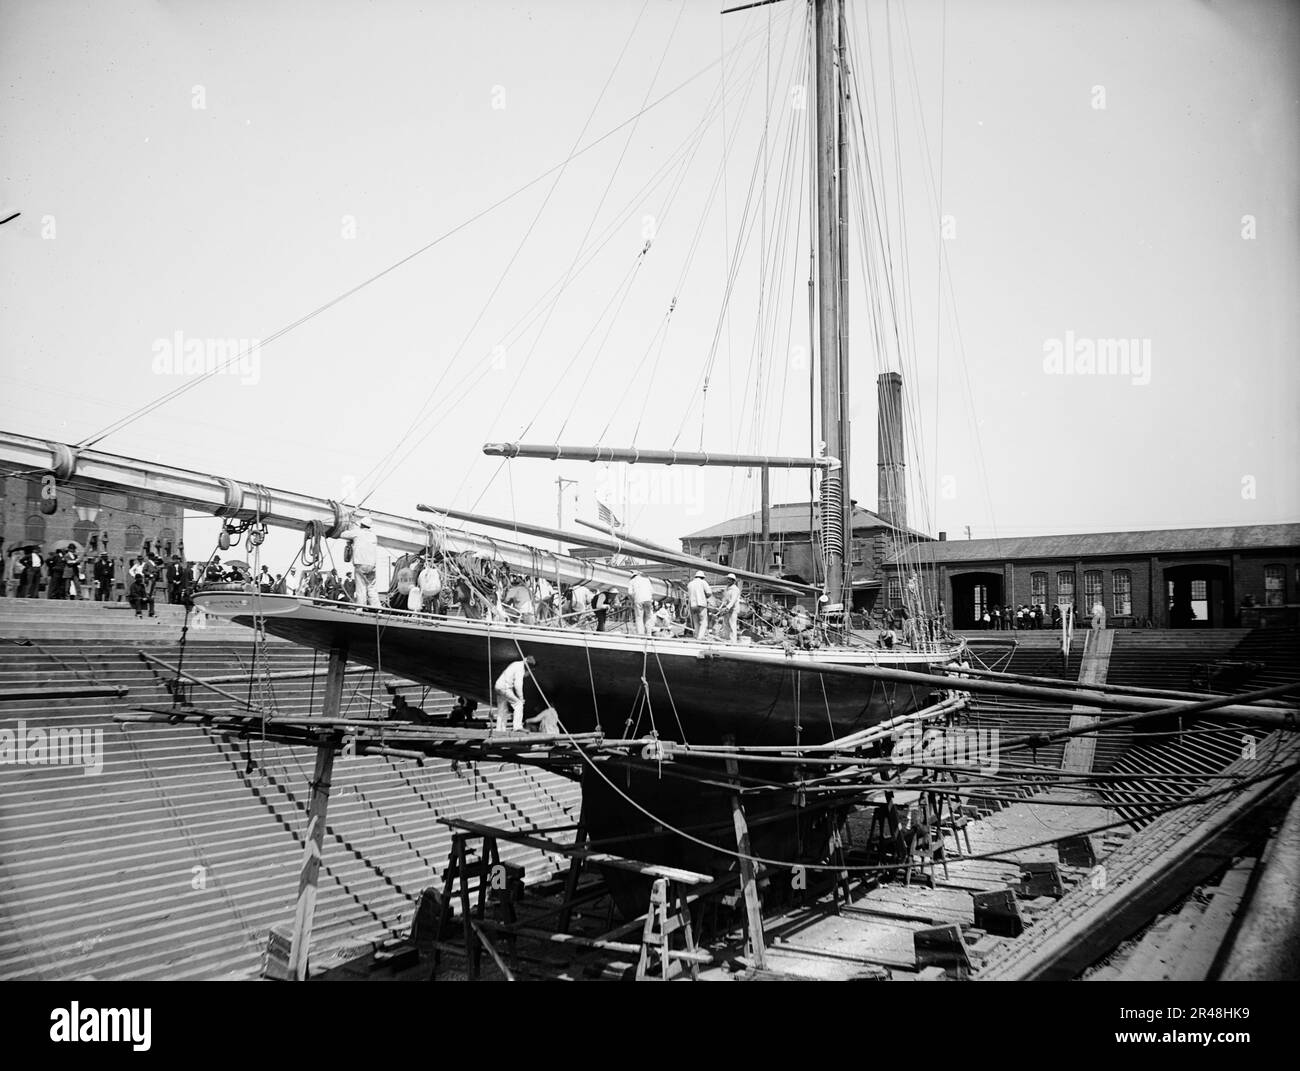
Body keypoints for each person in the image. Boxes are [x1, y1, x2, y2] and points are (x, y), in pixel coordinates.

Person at [338, 512, 381, 607]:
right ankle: (377, 607)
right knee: (372, 587)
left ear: (361, 525)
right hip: (372, 565)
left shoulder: (358, 533)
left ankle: (361, 607)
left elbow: (343, 534)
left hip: (360, 564)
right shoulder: (373, 536)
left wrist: (351, 527)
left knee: (361, 587)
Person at [494, 655, 536, 732]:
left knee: (502, 709)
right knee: (518, 704)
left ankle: (499, 729)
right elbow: (518, 685)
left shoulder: (516, 664)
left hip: (498, 685)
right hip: (505, 687)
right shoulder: (521, 669)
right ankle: (517, 727)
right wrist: (521, 698)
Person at [686, 570, 711, 640]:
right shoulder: (703, 582)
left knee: (696, 622)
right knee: (703, 622)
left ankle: (696, 635)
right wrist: (705, 596)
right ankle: (700, 637)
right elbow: (709, 593)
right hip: (701, 605)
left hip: (693, 605)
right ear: (702, 577)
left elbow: (689, 595)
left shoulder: (690, 584)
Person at [628, 571, 654, 635]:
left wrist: (632, 600)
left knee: (639, 618)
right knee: (648, 617)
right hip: (648, 600)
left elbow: (630, 593)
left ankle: (640, 634)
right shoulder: (647, 580)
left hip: (638, 600)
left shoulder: (632, 581)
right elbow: (652, 591)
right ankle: (648, 634)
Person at [719, 574, 741, 641]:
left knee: (732, 625)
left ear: (733, 581)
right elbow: (724, 599)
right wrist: (721, 607)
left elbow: (733, 600)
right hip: (727, 609)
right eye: (728, 579)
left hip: (733, 609)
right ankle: (727, 639)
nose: (728, 581)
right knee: (726, 625)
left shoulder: (735, 589)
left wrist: (728, 607)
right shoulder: (727, 588)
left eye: (730, 579)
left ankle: (733, 641)